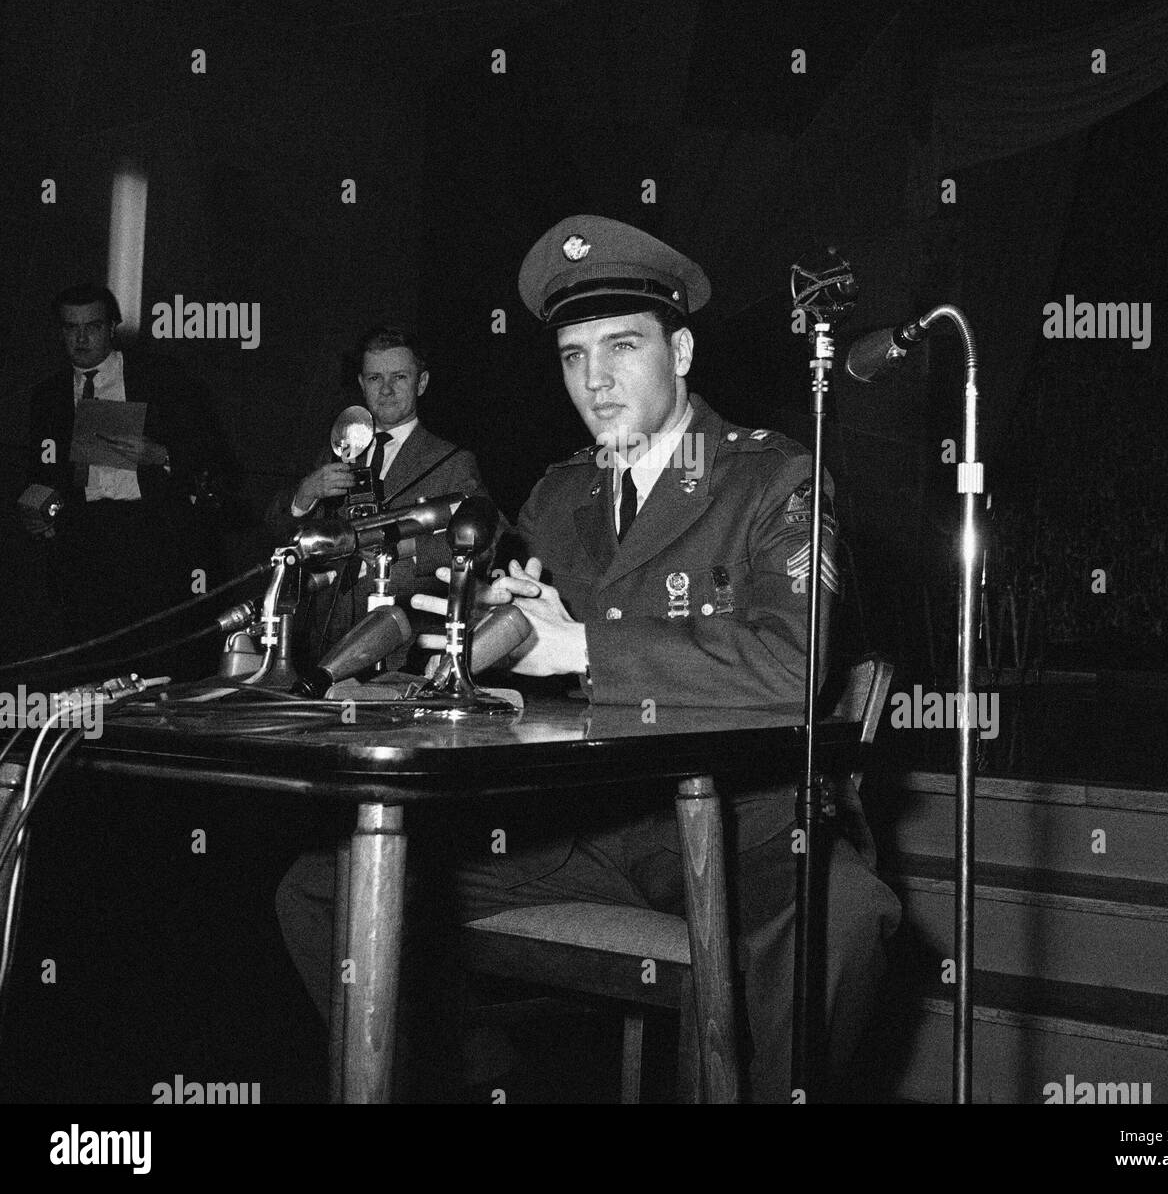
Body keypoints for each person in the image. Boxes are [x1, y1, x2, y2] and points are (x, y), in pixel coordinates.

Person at [277, 218, 900, 1102]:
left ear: (680, 350)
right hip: (590, 827)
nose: (595, 381)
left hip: (744, 829)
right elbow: (511, 635)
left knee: (849, 920)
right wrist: (478, 632)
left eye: (621, 347)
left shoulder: (775, 478)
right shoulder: (562, 491)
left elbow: (794, 667)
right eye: (572, 356)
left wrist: (582, 645)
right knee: (321, 889)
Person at [20, 283, 235, 657]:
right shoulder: (49, 395)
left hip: (152, 534)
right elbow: (42, 468)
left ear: (112, 328)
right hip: (83, 539)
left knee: (157, 653)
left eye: (92, 326)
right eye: (71, 328)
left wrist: (161, 454)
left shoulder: (161, 378)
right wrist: (35, 509)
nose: (81, 337)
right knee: (90, 658)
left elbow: (211, 452)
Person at [264, 325, 494, 669]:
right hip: (324, 643)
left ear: (422, 383)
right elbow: (277, 531)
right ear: (361, 384)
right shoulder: (337, 452)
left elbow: (486, 543)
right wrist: (305, 494)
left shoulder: (452, 460)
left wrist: (404, 548)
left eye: (399, 377)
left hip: (406, 644)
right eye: (375, 379)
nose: (386, 390)